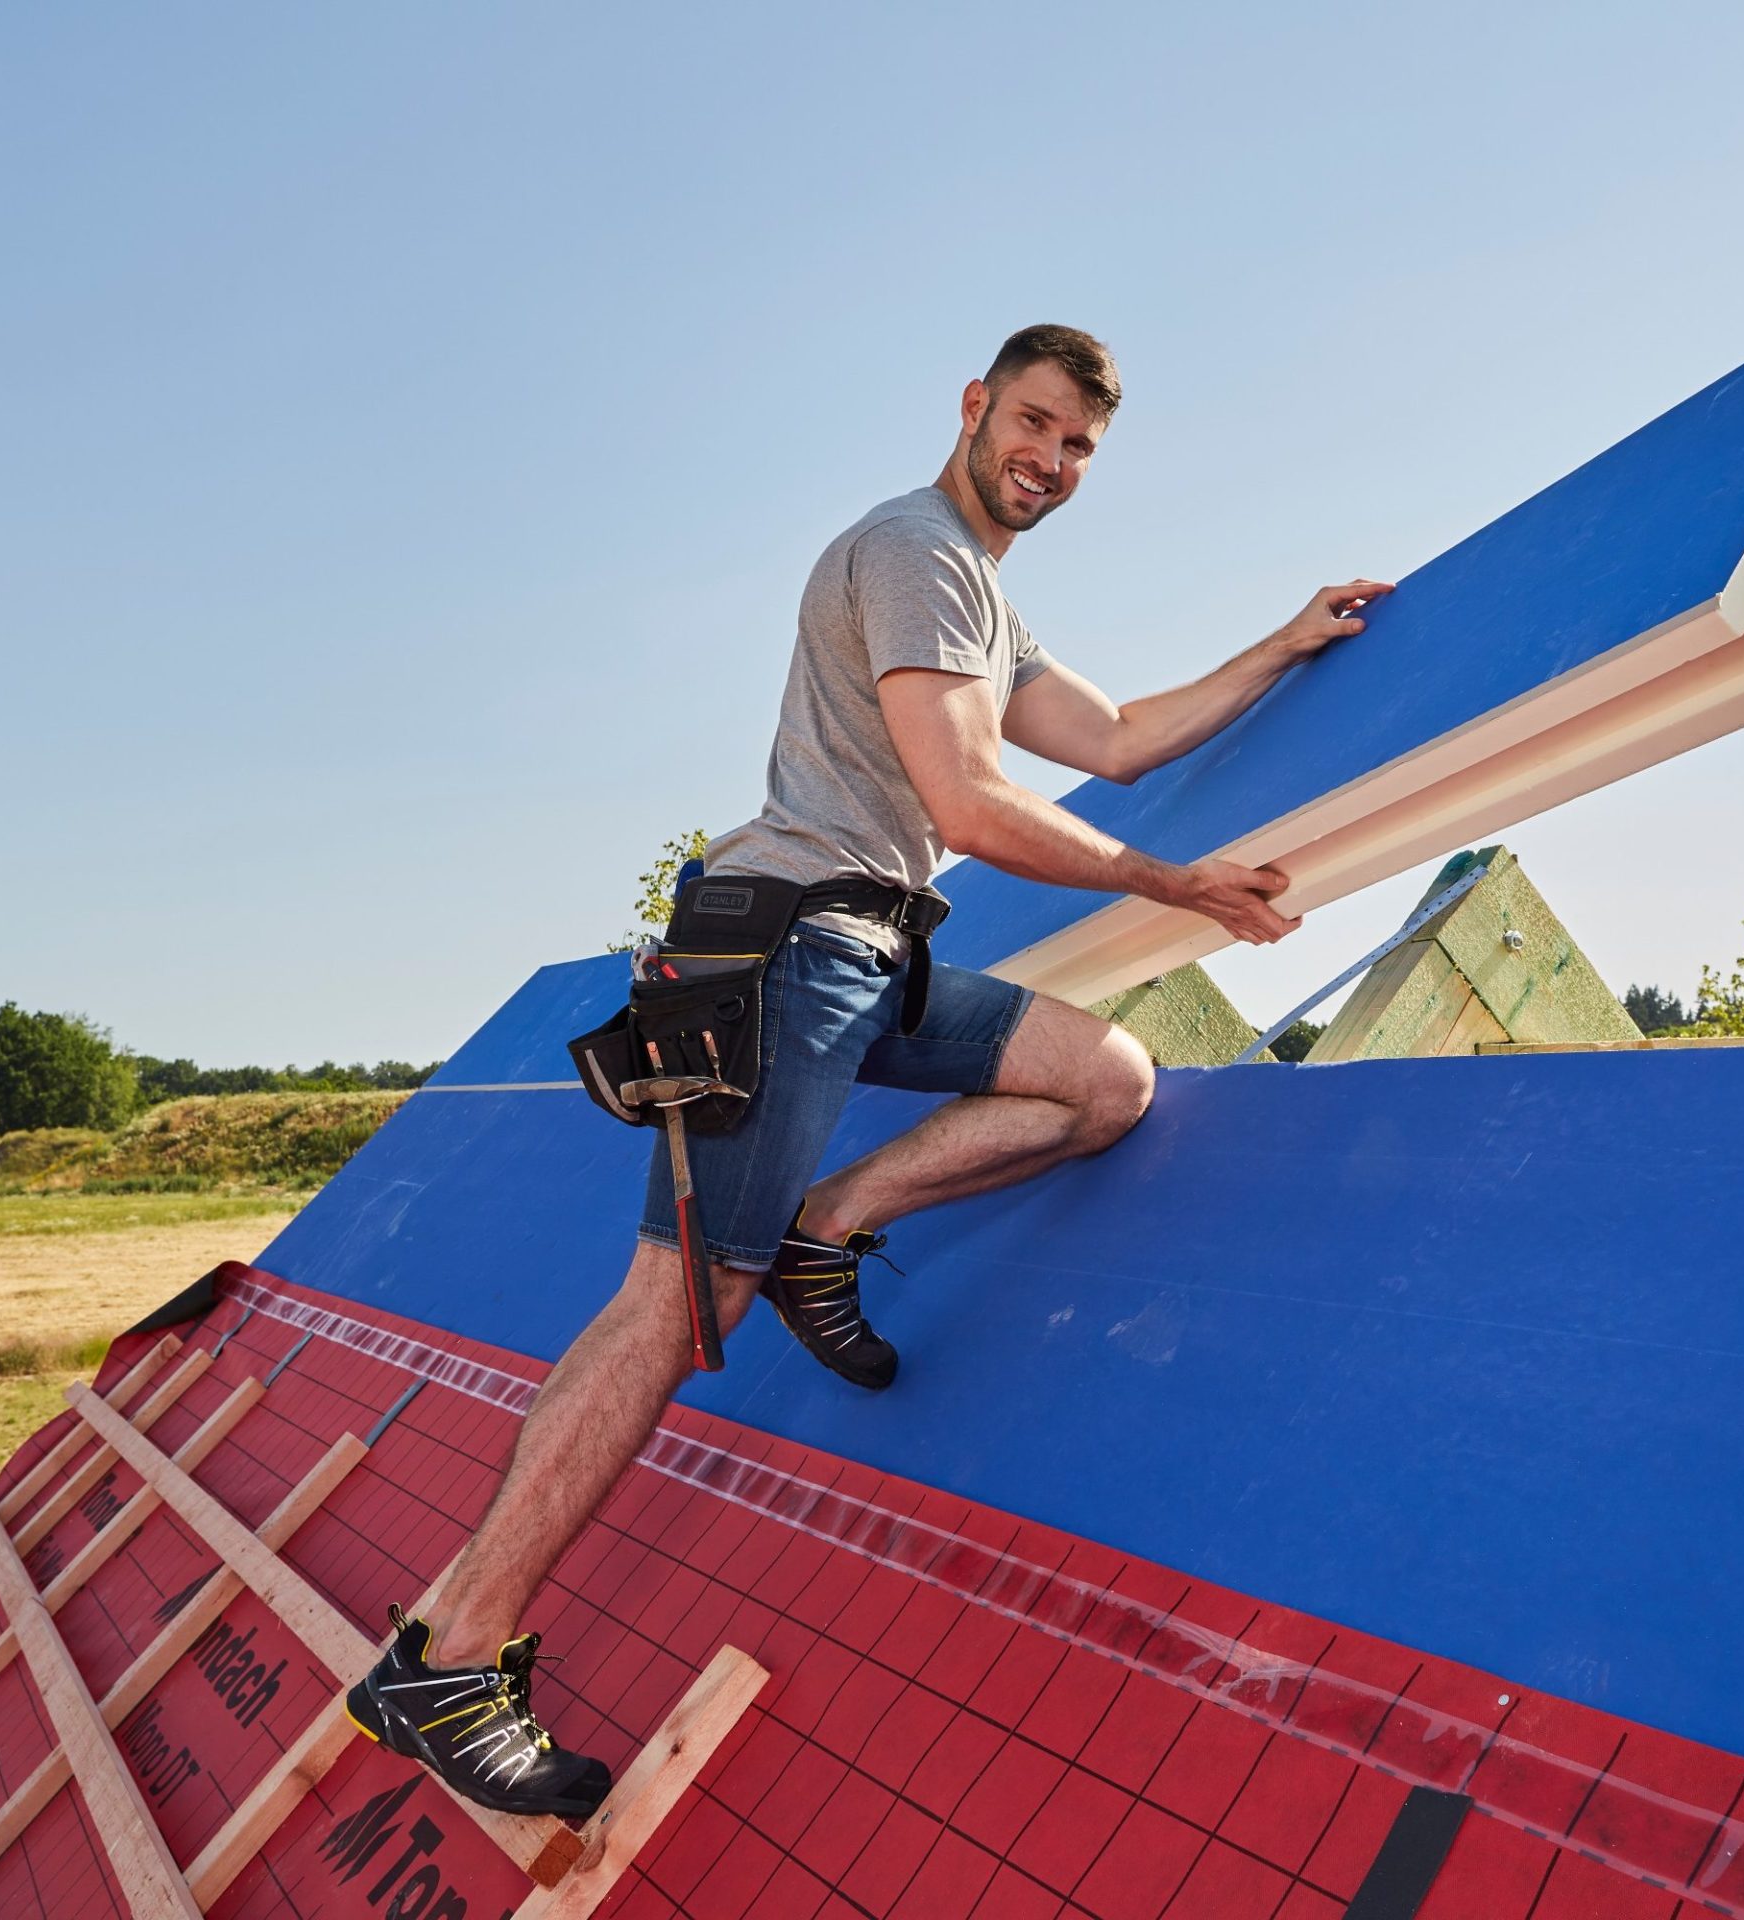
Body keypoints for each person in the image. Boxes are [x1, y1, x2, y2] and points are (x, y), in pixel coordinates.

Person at [344, 324, 1391, 1815]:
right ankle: (449, 1660)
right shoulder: (912, 550)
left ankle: (826, 1230)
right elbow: (967, 799)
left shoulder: (978, 596)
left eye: (1081, 444)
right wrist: (1176, 885)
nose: (1052, 458)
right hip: (782, 955)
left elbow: (1118, 734)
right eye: (1033, 422)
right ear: (974, 408)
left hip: (868, 956)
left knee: (1103, 1083)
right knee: (673, 1300)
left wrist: (1283, 641)